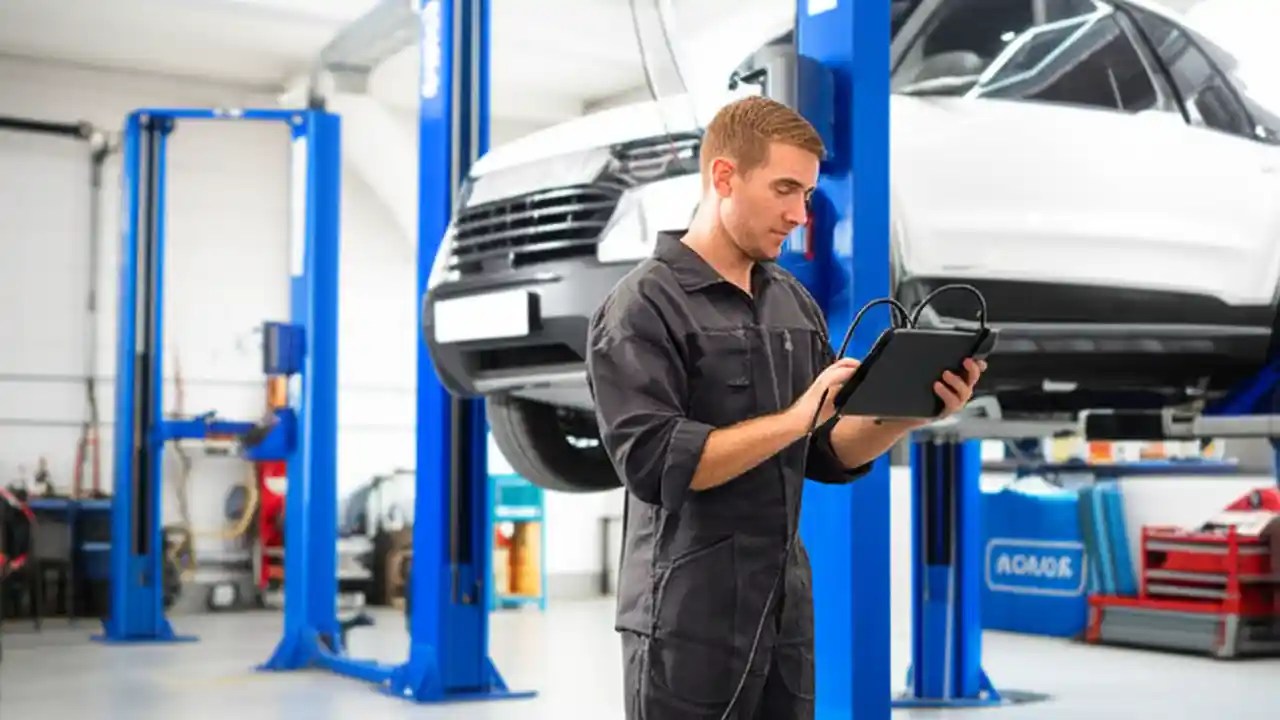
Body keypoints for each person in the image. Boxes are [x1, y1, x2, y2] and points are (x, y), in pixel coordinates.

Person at [585, 96, 986, 720]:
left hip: (782, 605)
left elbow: (823, 452)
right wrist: (798, 415)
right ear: (724, 177)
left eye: (806, 196)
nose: (800, 215)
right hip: (684, 612)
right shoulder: (643, 307)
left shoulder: (791, 304)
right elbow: (658, 464)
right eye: (785, 190)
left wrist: (909, 413)